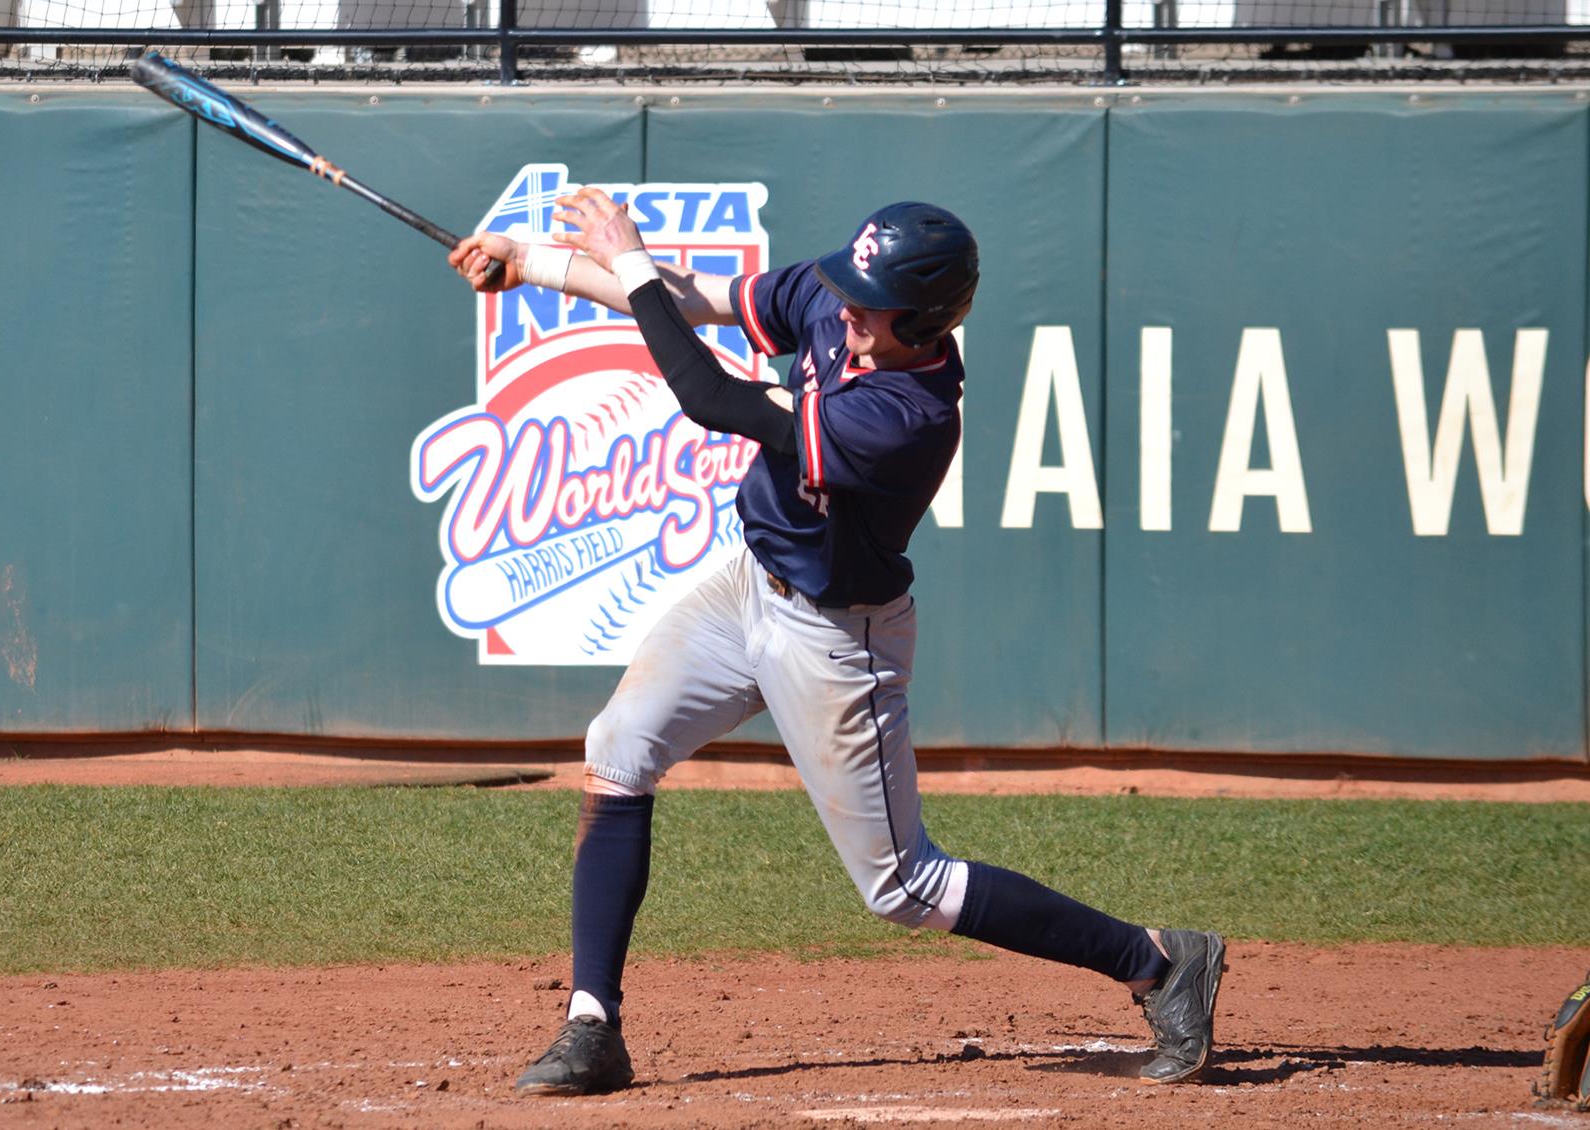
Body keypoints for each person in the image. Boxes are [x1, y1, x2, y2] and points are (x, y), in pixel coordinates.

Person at [447, 188, 1226, 1097]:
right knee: (618, 749)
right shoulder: (837, 300)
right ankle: (593, 1027)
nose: (847, 308)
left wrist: (624, 257)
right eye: (851, 291)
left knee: (904, 888)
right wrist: (535, 264)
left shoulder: (909, 416)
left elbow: (710, 398)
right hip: (748, 585)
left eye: (872, 303)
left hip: (836, 638)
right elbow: (694, 297)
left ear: (925, 320)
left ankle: (1158, 963)